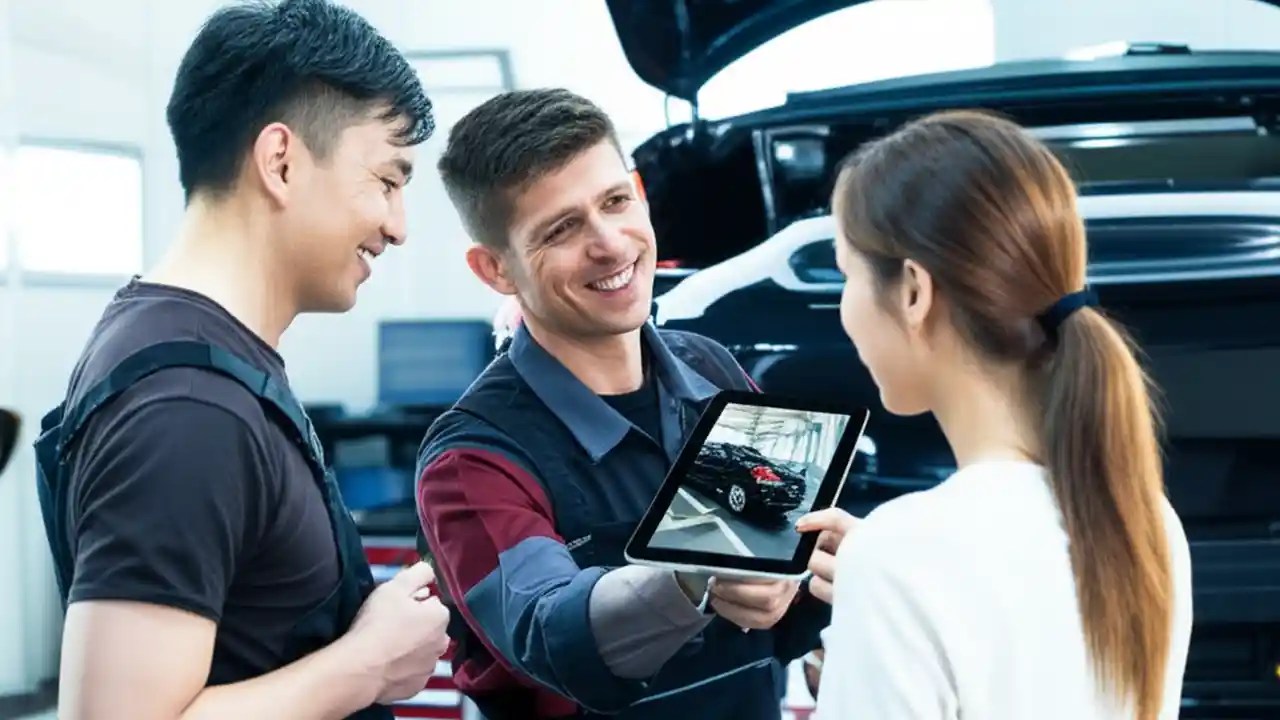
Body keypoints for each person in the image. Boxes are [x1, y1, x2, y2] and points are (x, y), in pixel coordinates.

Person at [33, 1, 451, 718]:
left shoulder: (196, 359)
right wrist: (369, 665)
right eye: (387, 180)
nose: (398, 226)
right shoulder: (187, 407)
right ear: (281, 162)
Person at [417, 88, 831, 720]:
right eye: (562, 228)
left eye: (616, 201)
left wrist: (824, 579)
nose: (610, 244)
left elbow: (776, 612)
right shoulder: (473, 460)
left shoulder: (711, 371)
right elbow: (547, 629)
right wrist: (695, 578)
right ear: (495, 270)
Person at [795, 109, 1194, 719]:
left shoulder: (900, 558)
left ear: (912, 291)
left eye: (847, 273)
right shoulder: (1147, 522)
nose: (844, 308)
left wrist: (877, 622)